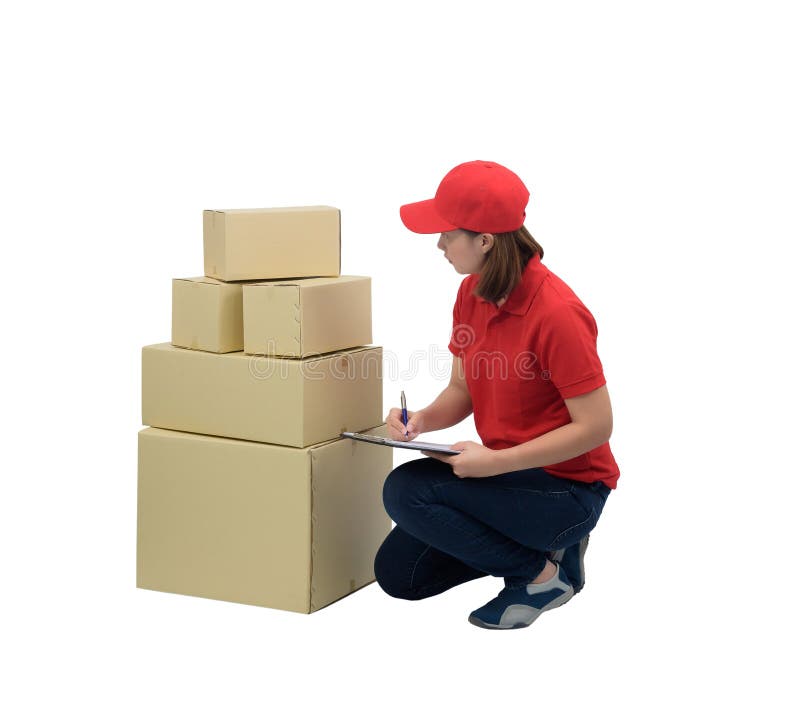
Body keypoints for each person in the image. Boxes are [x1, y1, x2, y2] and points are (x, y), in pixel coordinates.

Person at [373, 160, 620, 630]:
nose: (439, 244)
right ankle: (535, 550)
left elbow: (596, 427)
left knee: (404, 490)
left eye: (447, 233)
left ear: (484, 240)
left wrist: (495, 463)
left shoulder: (558, 314)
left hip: (567, 490)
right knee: (399, 577)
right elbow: (462, 389)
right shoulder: (472, 292)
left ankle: (543, 575)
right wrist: (421, 421)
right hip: (509, 477)